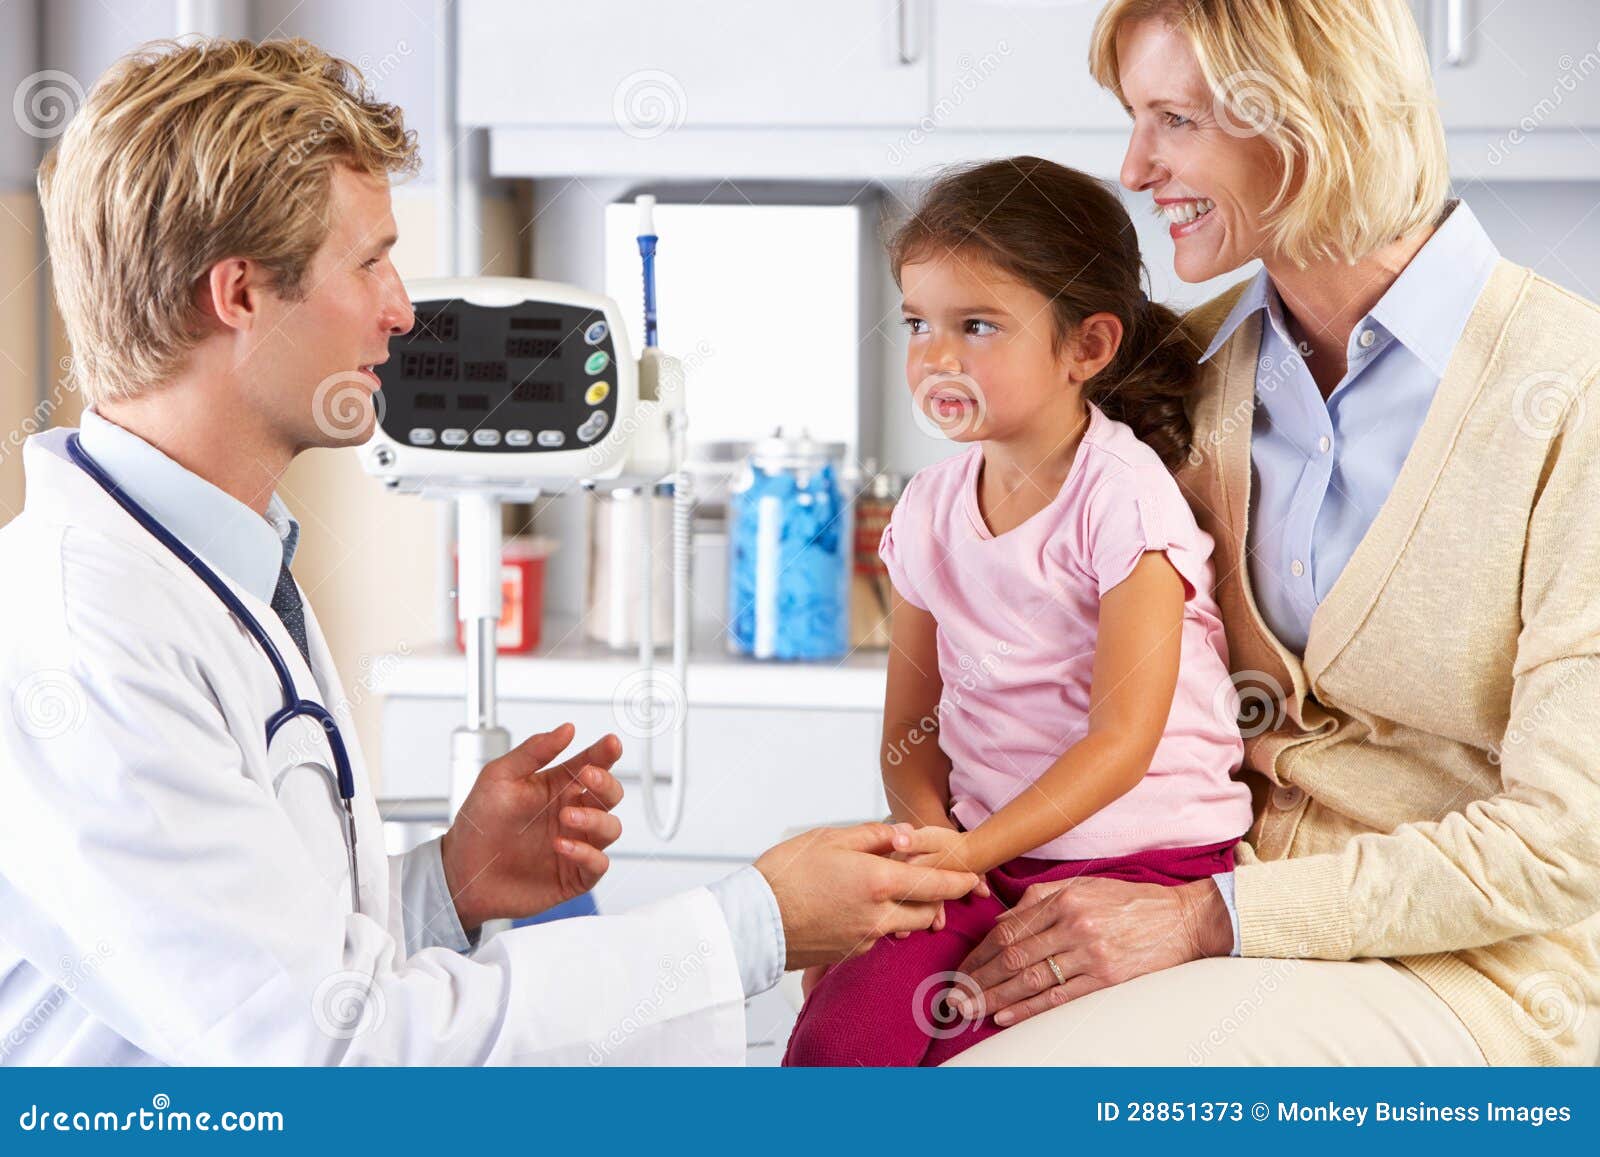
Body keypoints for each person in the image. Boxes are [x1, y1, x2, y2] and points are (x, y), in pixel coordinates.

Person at [0, 37, 980, 1066]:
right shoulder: (79, 638)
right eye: (369, 260)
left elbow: (285, 968)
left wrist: (450, 881)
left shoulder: (217, 570)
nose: (402, 307)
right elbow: (325, 1053)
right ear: (238, 293)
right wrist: (751, 926)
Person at [945, 0, 1600, 1066]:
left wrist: (1217, 913)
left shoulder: (1574, 395)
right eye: (1133, 117)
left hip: (1470, 975)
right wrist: (934, 880)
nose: (1134, 165)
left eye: (1174, 120)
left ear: (1310, 118)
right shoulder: (1182, 378)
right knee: (873, 1036)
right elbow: (1058, 687)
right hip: (1183, 914)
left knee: (1007, 1091)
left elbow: (1570, 838)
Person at [782, 158, 1251, 1067]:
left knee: (989, 1063)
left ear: (1087, 347)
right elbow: (910, 731)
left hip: (1146, 865)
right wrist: (932, 851)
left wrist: (971, 855)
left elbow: (1123, 744)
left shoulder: (1124, 501)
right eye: (920, 323)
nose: (937, 357)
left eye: (978, 325)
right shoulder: (927, 508)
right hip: (983, 856)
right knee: (845, 1031)